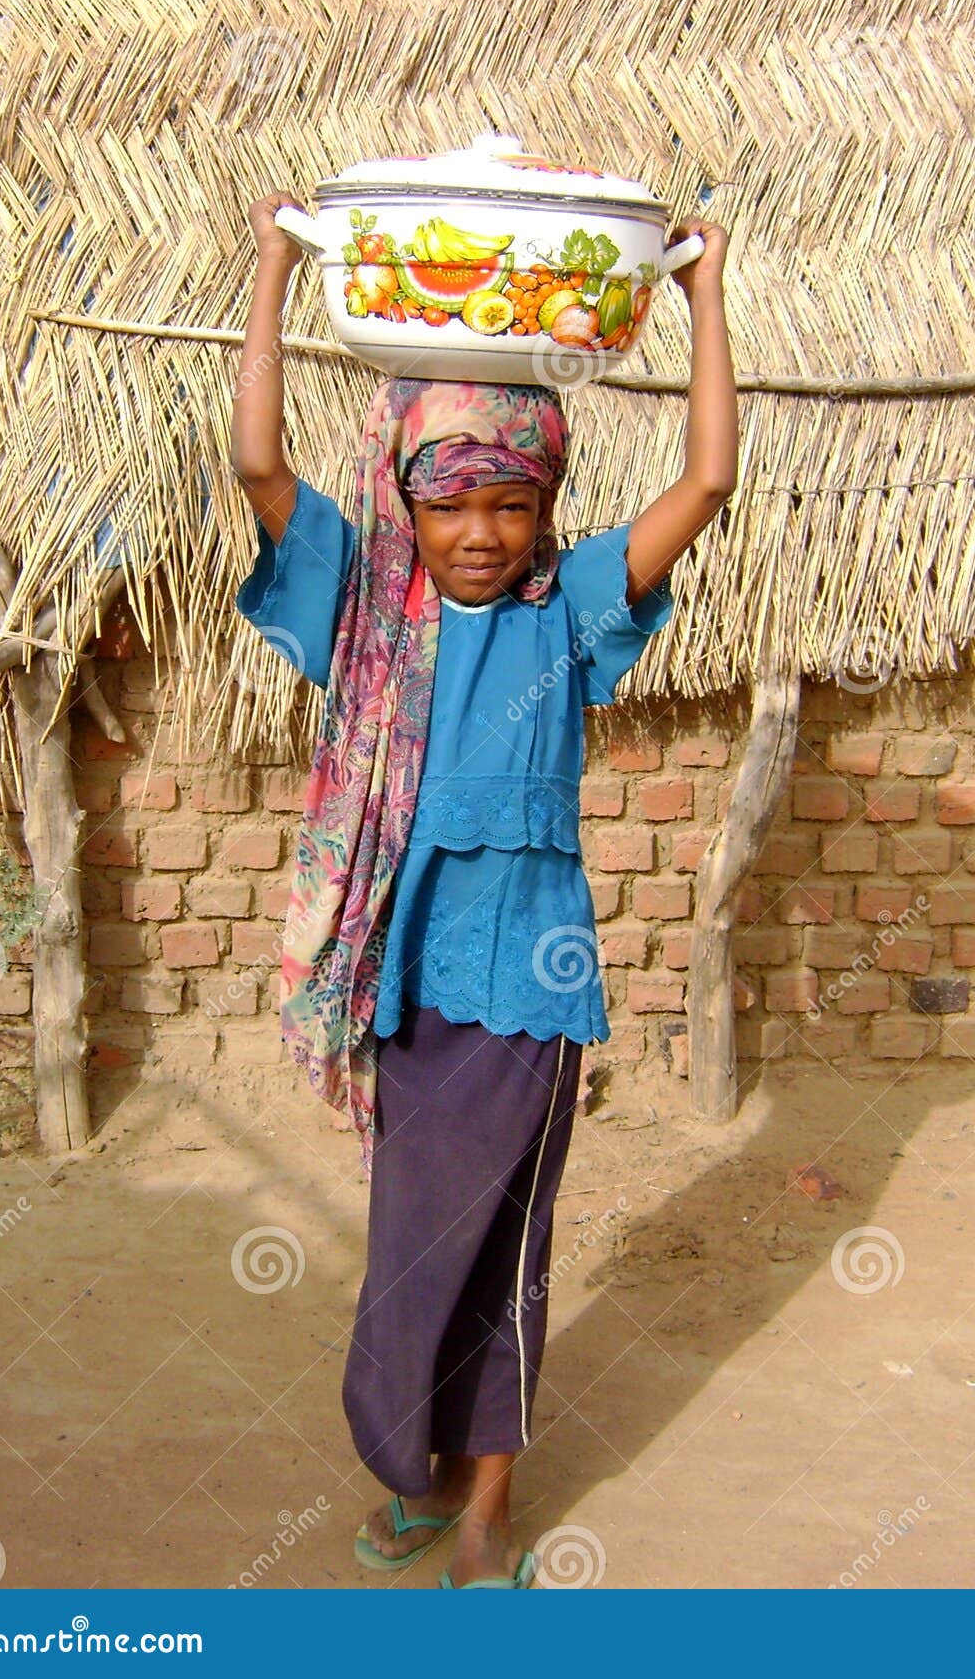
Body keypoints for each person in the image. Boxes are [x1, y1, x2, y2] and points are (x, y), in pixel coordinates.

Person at [229, 188, 735, 1587]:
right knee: (412, 1244)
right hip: (404, 984)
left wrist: (702, 297)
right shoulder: (363, 609)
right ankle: (416, 1466)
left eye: (513, 502)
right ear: (406, 498)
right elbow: (258, 462)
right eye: (450, 499)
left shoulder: (570, 611)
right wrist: (275, 268)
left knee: (503, 1245)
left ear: (547, 507)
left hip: (526, 990)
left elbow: (705, 484)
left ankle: (489, 1507)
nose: (480, 530)